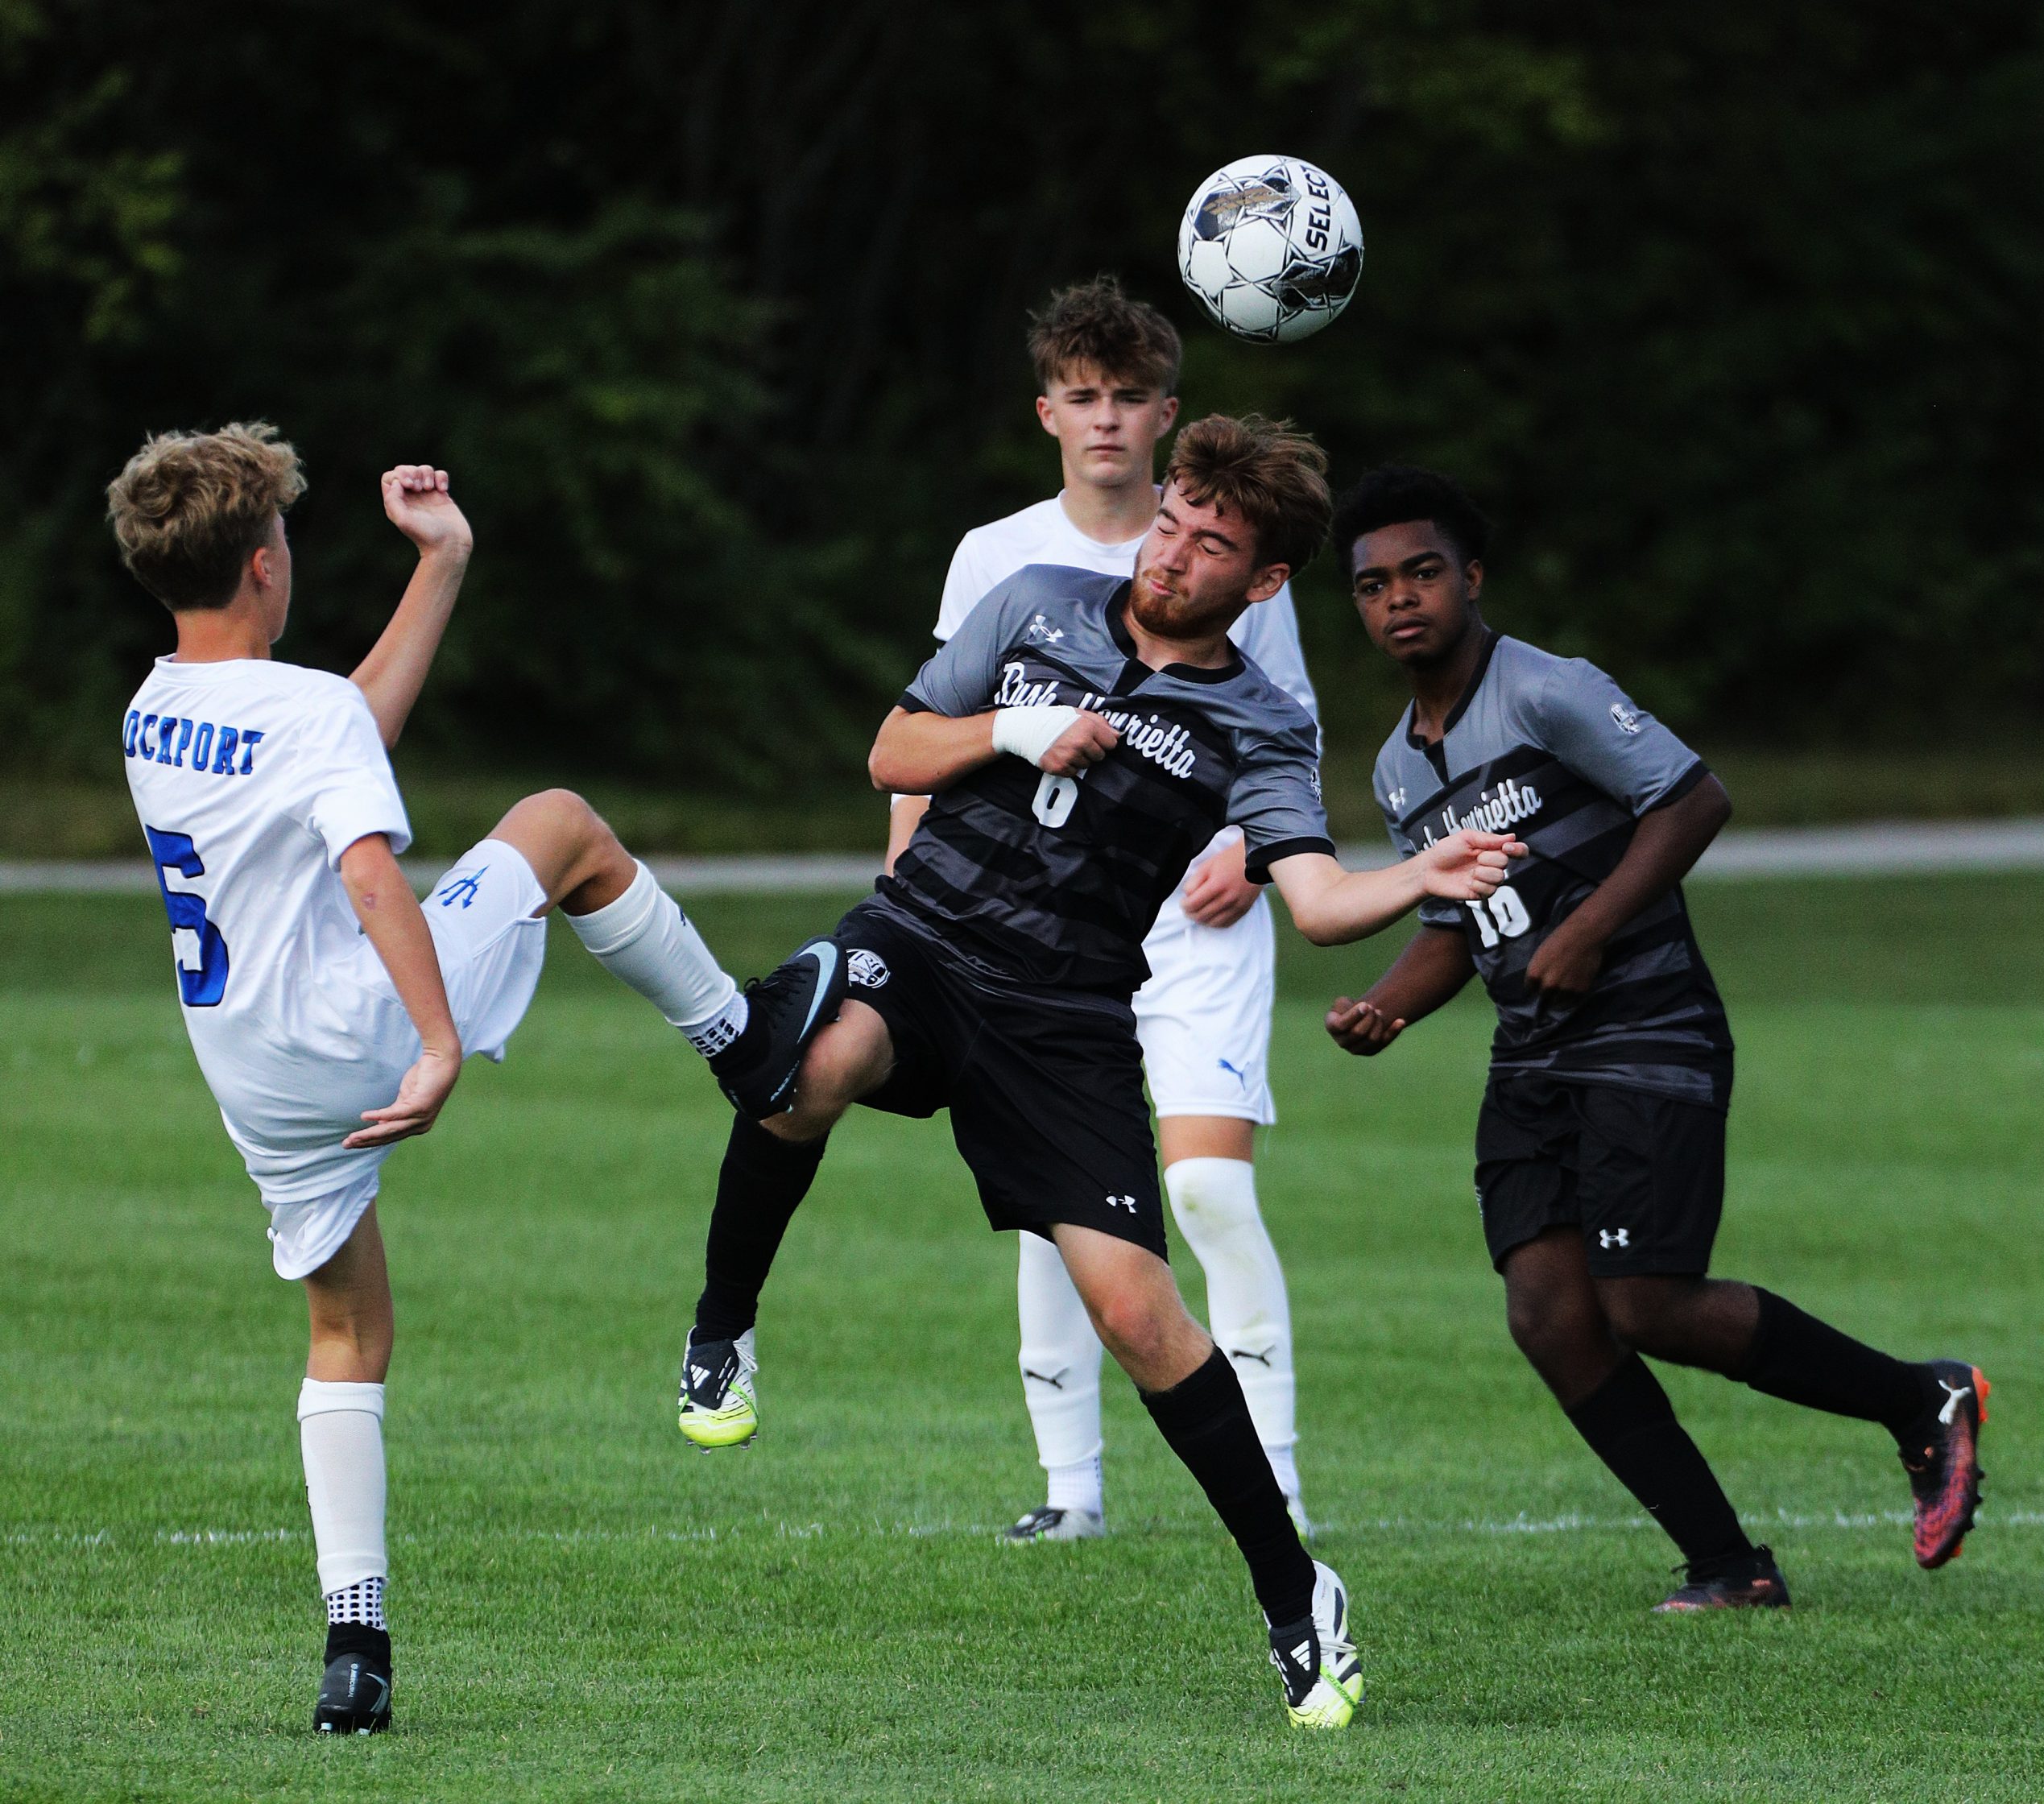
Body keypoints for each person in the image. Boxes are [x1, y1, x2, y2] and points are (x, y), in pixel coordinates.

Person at [676, 415, 1522, 1726]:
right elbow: (893, 751)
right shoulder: (1035, 601)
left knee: (1137, 1312)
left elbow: (1315, 902)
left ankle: (1299, 1598)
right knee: (807, 1069)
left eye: (1212, 544)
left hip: (1063, 1015)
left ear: (1265, 581)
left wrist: (1424, 874)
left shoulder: (1262, 718)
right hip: (922, 935)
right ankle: (723, 1332)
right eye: (1172, 523)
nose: (1174, 554)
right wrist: (1016, 732)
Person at [108, 424, 839, 1735]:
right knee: (559, 826)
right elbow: (370, 865)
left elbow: (345, 744)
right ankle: (745, 1043)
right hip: (367, 1031)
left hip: (258, 1081)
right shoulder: (302, 709)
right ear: (270, 562)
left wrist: (440, 566)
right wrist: (439, 1042)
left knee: (349, 1335)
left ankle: (357, 1647)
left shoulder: (157, 705)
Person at [1323, 463, 1988, 1609]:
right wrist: (1386, 1003)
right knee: (1549, 1312)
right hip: (1530, 1057)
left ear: (1472, 578)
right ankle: (1729, 1565)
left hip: (1646, 1026)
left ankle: (1917, 1398)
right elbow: (1453, 923)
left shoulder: (1548, 693)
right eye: (1375, 584)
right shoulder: (1396, 764)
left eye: (1424, 572)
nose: (1401, 599)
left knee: (1644, 1298)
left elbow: (1692, 799)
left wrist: (1587, 929)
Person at [887, 279, 1321, 1542]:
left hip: (1194, 905)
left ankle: (1277, 1478)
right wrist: (905, 887)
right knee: (1052, 1197)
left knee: (1206, 1198)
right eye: (1085, 397)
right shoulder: (999, 557)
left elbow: (1281, 737)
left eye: (1132, 398)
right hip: (1023, 919)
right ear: (1048, 414)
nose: (1110, 422)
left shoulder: (1237, 546)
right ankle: (1070, 1491)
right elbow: (940, 730)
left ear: (1168, 414)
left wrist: (1247, 851)